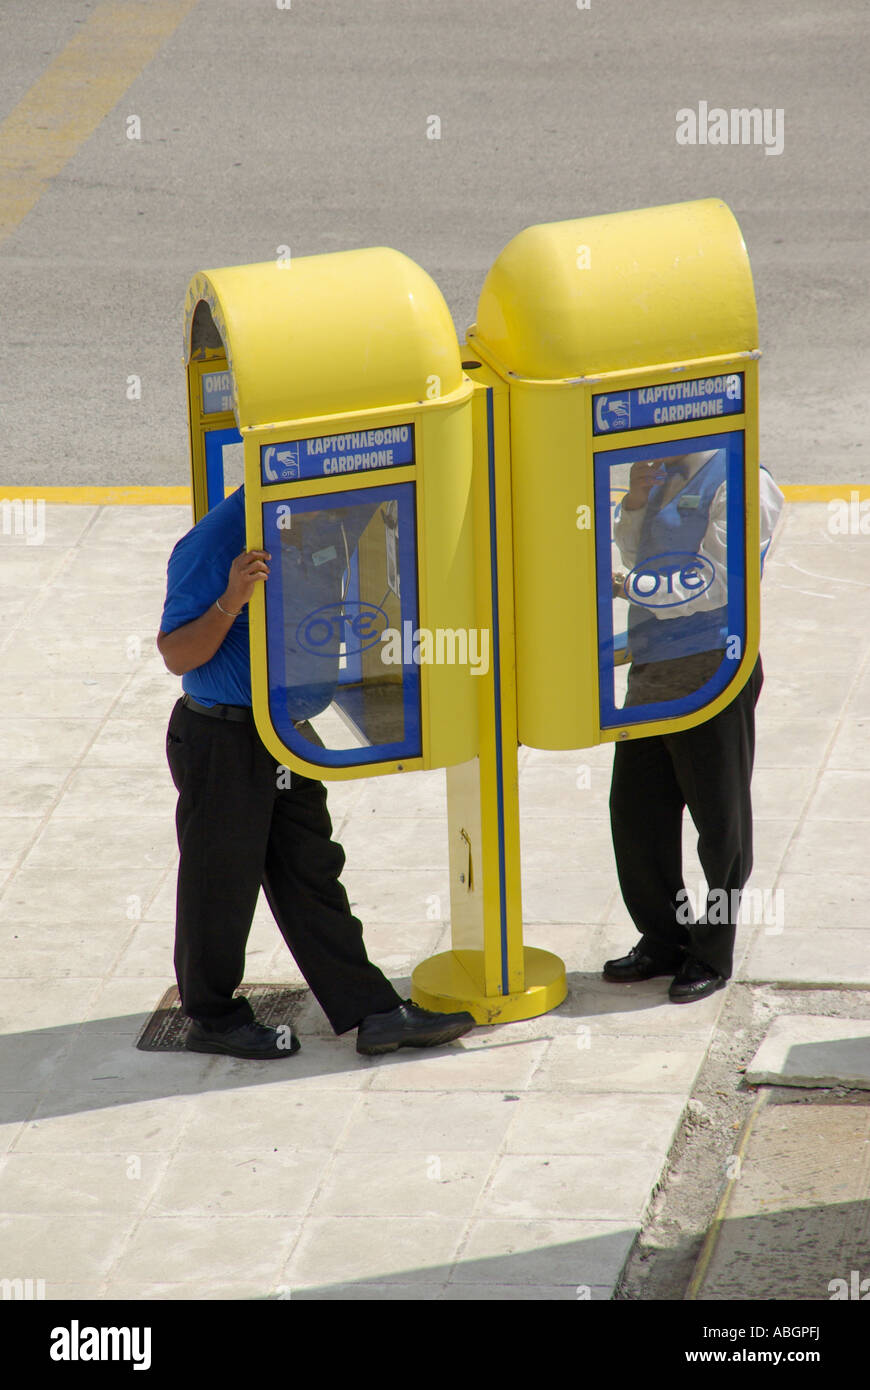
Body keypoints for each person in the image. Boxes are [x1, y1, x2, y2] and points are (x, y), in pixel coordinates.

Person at [156, 483, 475, 1058]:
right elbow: (177, 655)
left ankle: (373, 1012)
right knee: (220, 883)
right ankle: (212, 1018)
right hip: (223, 736)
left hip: (286, 731)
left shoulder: (325, 516)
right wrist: (232, 597)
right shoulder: (214, 542)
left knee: (311, 869)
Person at [603, 449, 784, 1003]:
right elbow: (643, 552)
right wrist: (635, 502)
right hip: (653, 671)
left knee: (719, 823)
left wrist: (631, 587)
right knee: (638, 814)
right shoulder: (664, 474)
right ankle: (663, 937)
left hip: (713, 672)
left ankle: (711, 951)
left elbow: (719, 581)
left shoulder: (743, 481)